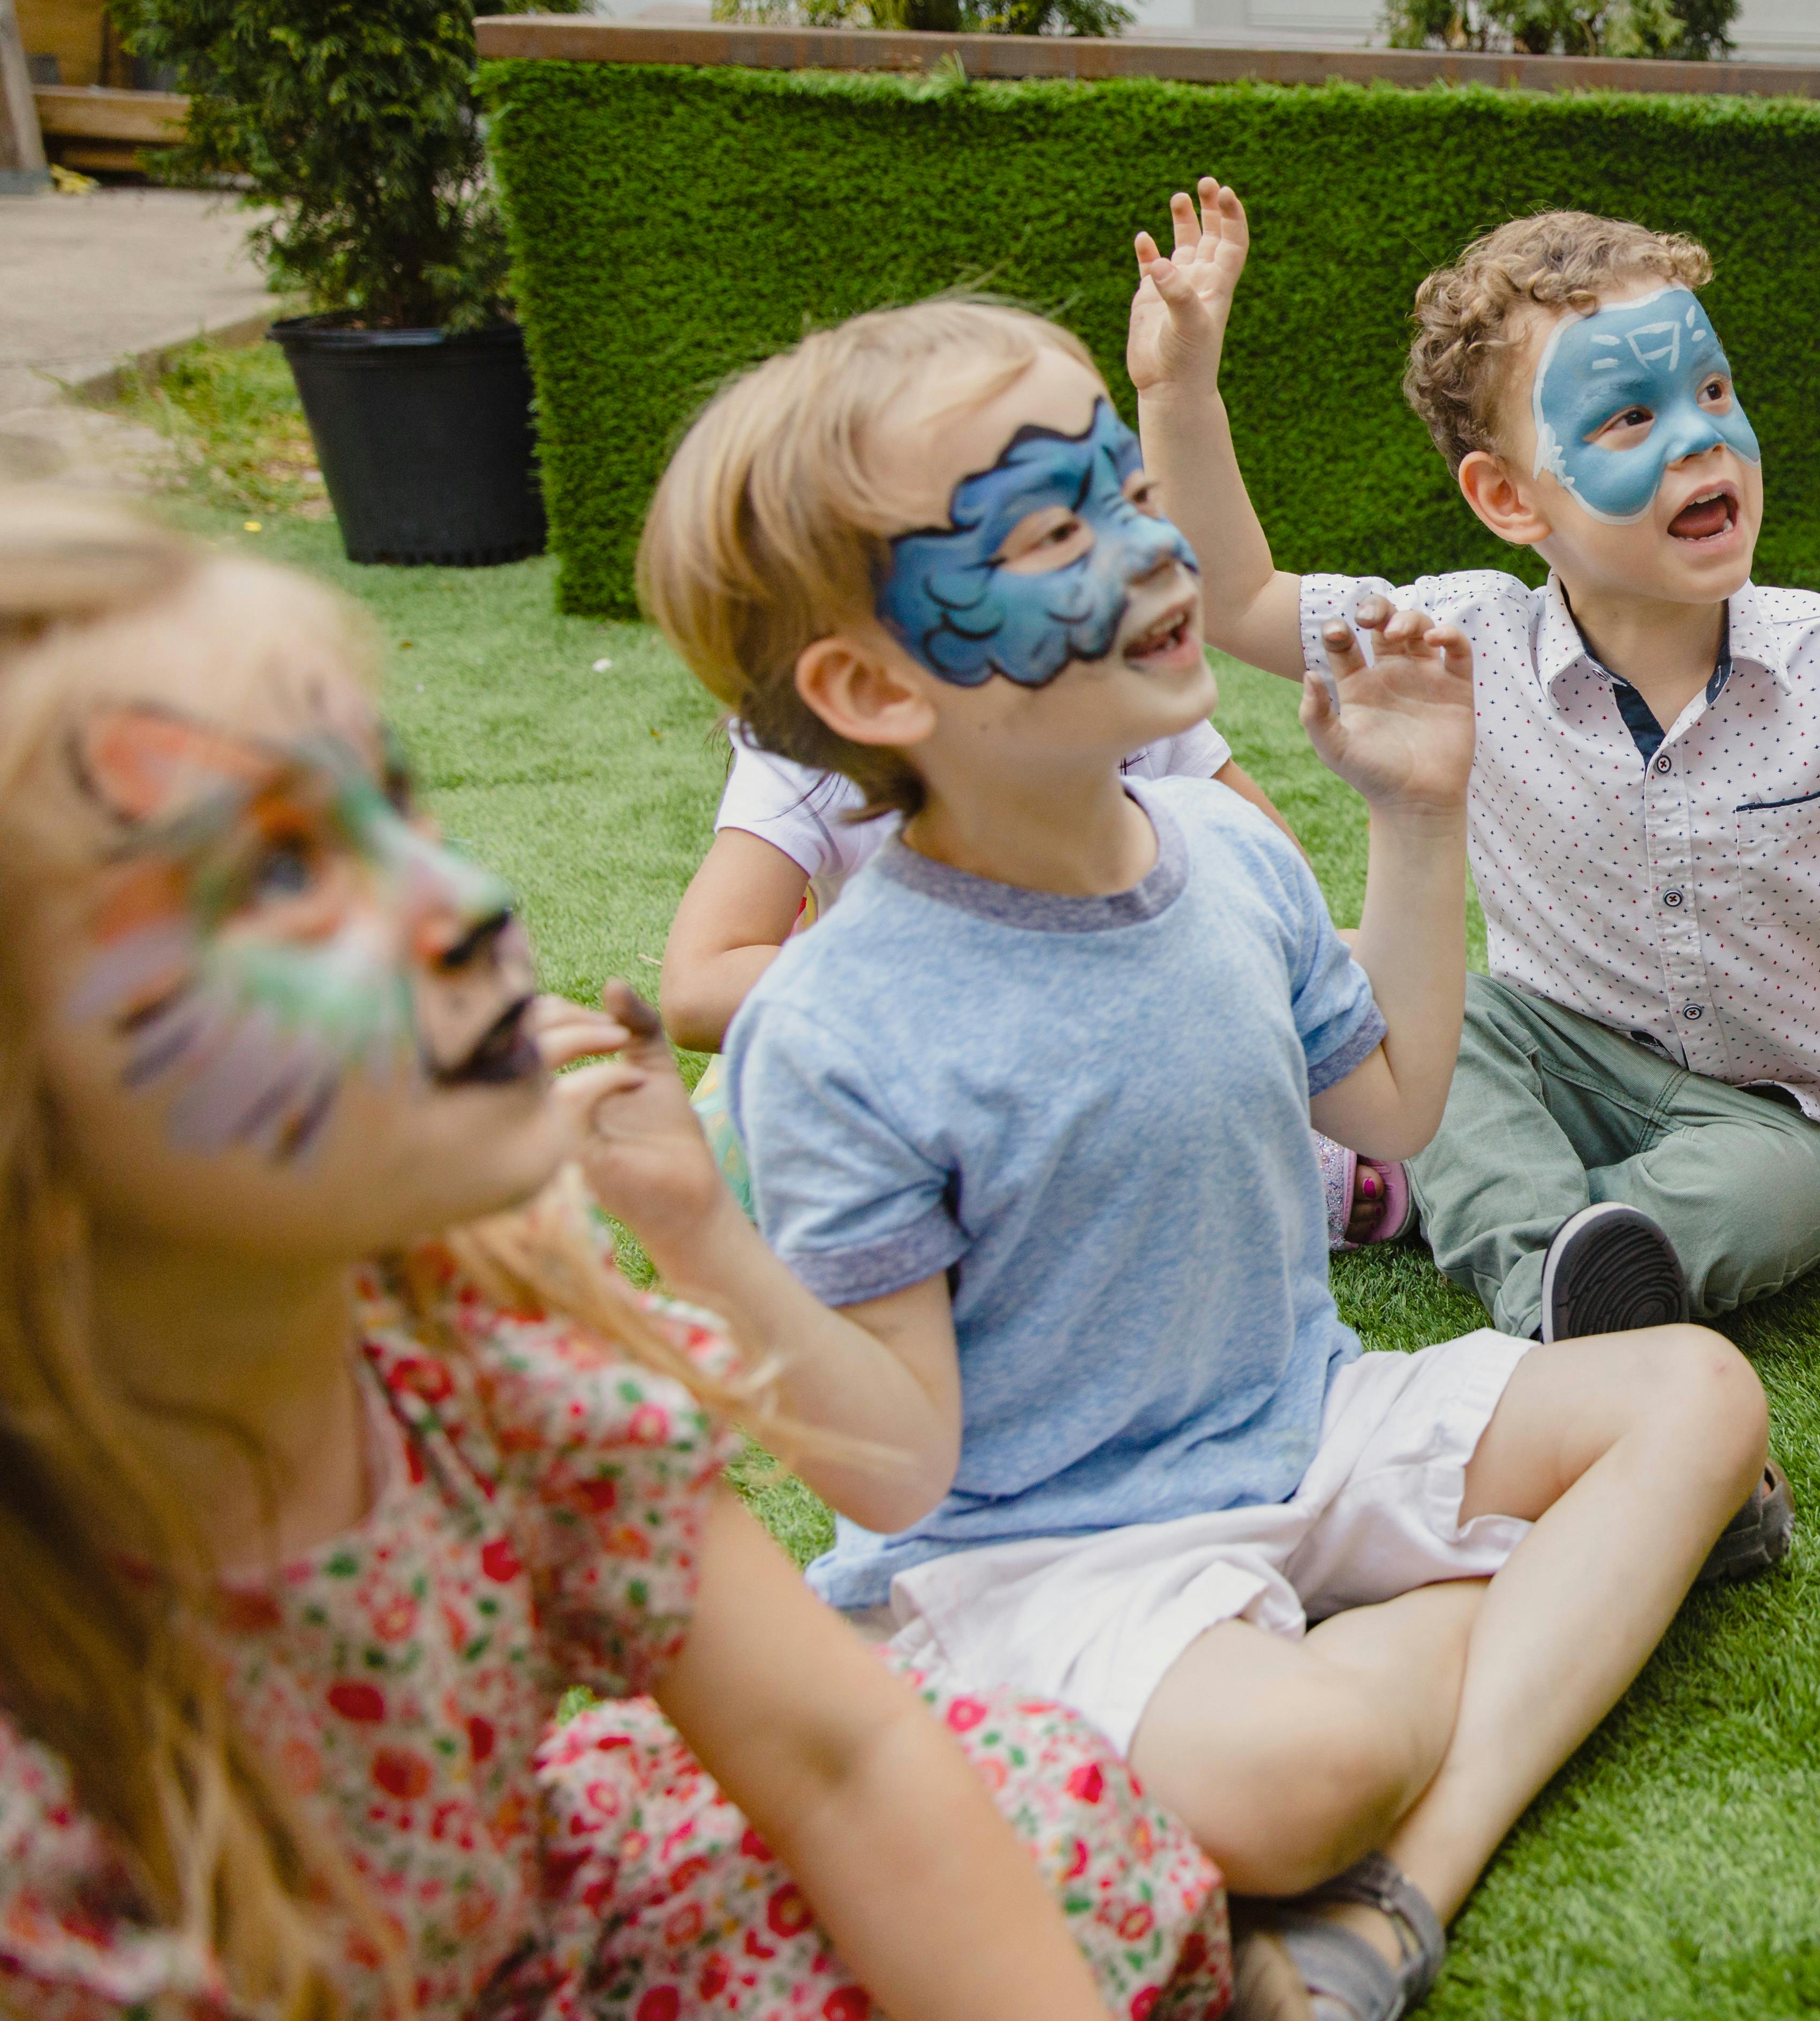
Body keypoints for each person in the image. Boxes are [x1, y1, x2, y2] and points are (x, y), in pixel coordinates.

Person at [631, 297, 1775, 2021]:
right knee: (1288, 1778)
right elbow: (889, 1466)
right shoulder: (837, 1029)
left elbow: (1387, 1111)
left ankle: (1402, 1887)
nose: (1149, 541)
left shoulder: (1224, 865)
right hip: (1052, 1551)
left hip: (1309, 1418)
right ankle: (1575, 1594)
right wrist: (700, 1237)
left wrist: (1416, 814)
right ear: (869, 684)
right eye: (1053, 524)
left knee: (1692, 1390)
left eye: (1124, 482)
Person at [0, 492, 1226, 2021]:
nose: (460, 907)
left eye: (393, 801)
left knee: (1037, 1800)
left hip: (527, 1924)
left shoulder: (481, 1337)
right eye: (276, 881)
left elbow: (841, 1755)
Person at [1146, 183, 1820, 1343]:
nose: (1702, 434)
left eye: (1711, 391)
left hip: (1779, 1119)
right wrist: (1178, 385)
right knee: (1424, 1031)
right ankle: (1559, 1281)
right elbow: (1236, 595)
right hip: (1545, 1046)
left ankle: (1536, 1265)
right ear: (1507, 497)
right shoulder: (1461, 640)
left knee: (1762, 1202)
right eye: (1627, 417)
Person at [660, 651, 1409, 1254]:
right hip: (931, 1076)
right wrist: (988, 970)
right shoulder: (808, 741)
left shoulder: (1128, 689)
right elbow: (700, 986)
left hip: (1141, 1039)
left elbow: (1286, 903)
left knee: (1365, 990)